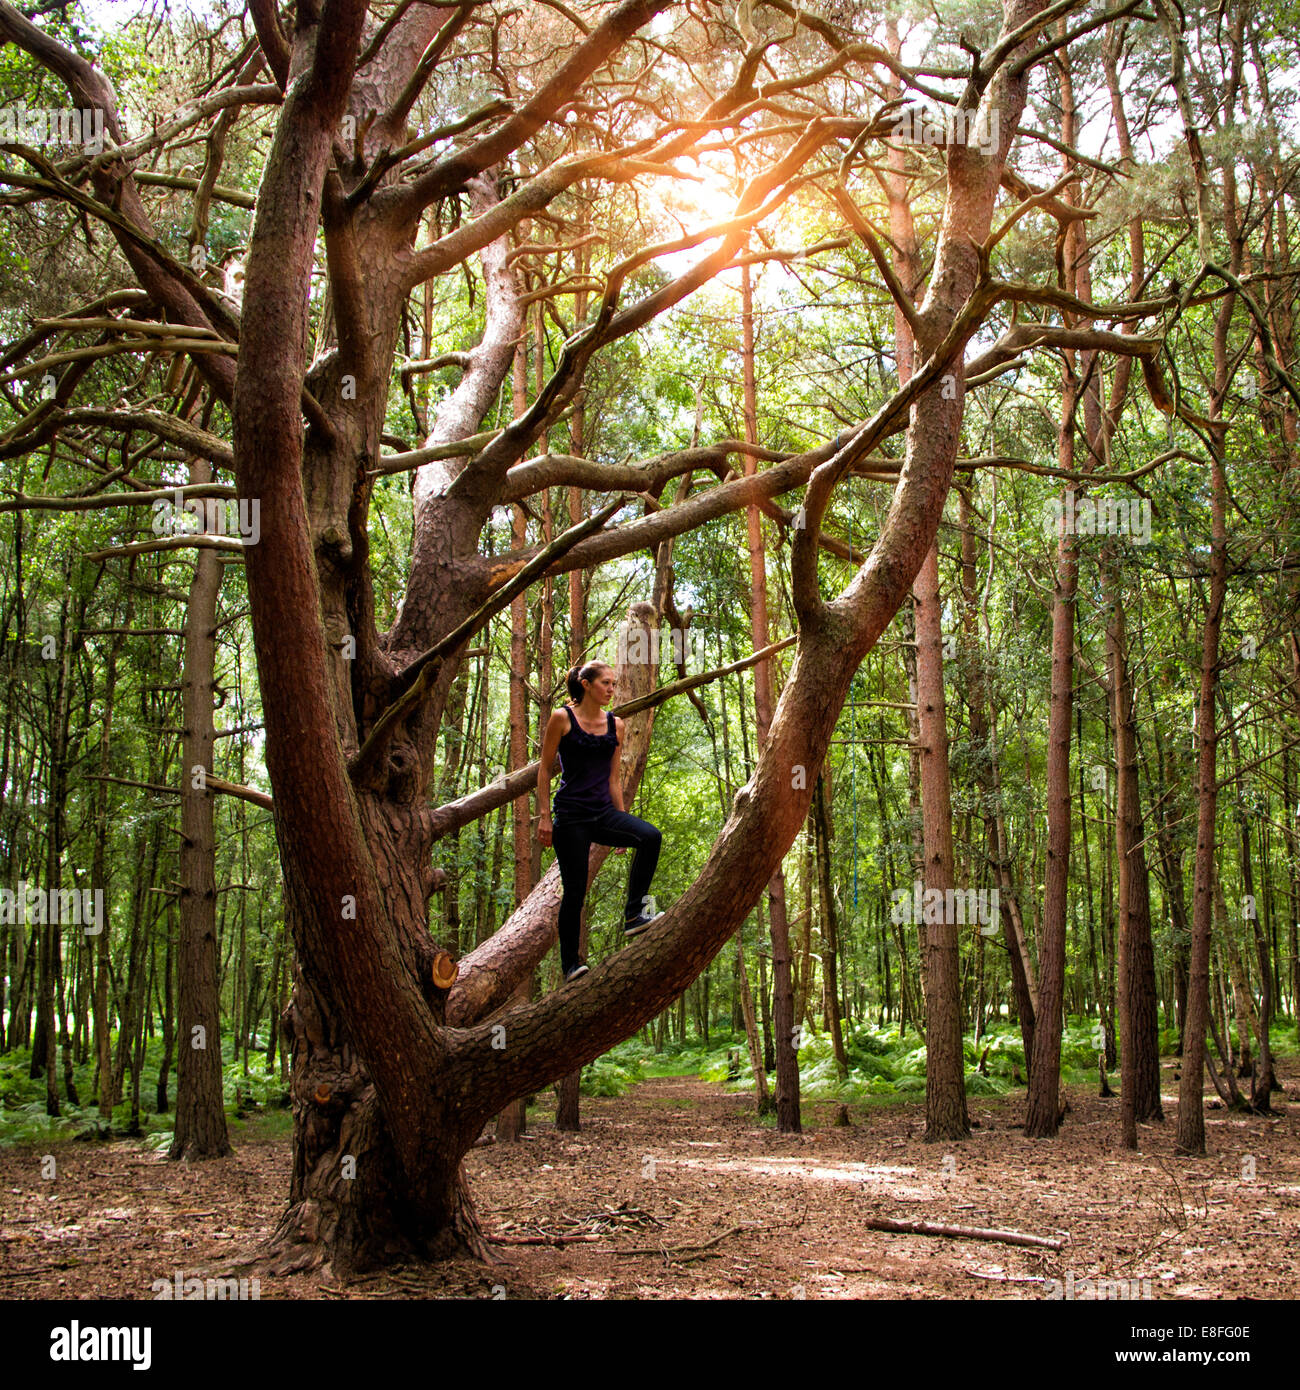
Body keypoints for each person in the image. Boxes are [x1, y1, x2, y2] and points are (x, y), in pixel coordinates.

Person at [537, 659, 663, 983]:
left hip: (603, 814)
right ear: (586, 685)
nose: (611, 689)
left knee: (650, 837)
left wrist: (621, 821)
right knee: (575, 891)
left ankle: (634, 914)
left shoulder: (615, 725)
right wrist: (545, 818)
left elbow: (613, 778)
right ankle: (571, 966)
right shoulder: (562, 718)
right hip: (570, 817)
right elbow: (544, 769)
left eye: (613, 684)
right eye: (605, 683)